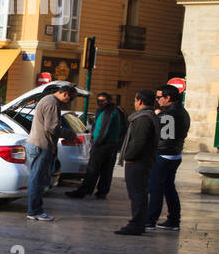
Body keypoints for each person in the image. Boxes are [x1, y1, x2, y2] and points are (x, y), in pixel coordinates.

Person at [23, 83, 76, 221]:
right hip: (41, 145)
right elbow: (52, 128)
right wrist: (70, 133)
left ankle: (34, 210)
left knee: (37, 179)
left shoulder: (47, 100)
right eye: (69, 99)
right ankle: (35, 211)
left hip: (38, 144)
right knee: (38, 180)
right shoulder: (52, 103)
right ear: (65, 94)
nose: (68, 103)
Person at [146, 83, 191, 230]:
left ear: (168, 97)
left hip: (164, 155)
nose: (157, 100)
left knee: (156, 188)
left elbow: (165, 137)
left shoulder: (168, 114)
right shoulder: (183, 112)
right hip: (175, 155)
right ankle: (173, 220)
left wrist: (158, 117)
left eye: (159, 97)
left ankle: (150, 220)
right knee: (169, 188)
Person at [115, 90, 160, 235]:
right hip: (142, 160)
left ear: (140, 101)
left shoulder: (143, 118)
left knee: (137, 194)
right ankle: (139, 223)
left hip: (138, 162)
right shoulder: (148, 116)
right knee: (138, 193)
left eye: (135, 100)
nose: (134, 103)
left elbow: (138, 142)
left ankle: (136, 224)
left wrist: (128, 156)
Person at [67, 92, 126, 199]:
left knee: (93, 169)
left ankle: (84, 191)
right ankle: (102, 192)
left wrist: (96, 144)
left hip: (103, 145)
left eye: (103, 101)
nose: (100, 103)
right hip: (111, 145)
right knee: (106, 170)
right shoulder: (110, 111)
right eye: (98, 101)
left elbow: (103, 130)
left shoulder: (108, 112)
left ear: (109, 101)